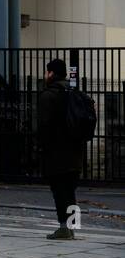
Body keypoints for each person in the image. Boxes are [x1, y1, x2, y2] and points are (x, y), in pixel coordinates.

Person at [38, 58, 84, 240]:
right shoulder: (75, 92)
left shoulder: (48, 96)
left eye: (46, 72)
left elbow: (44, 125)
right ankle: (73, 227)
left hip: (56, 151)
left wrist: (41, 145)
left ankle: (63, 228)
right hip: (75, 149)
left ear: (50, 73)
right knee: (71, 190)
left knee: (59, 190)